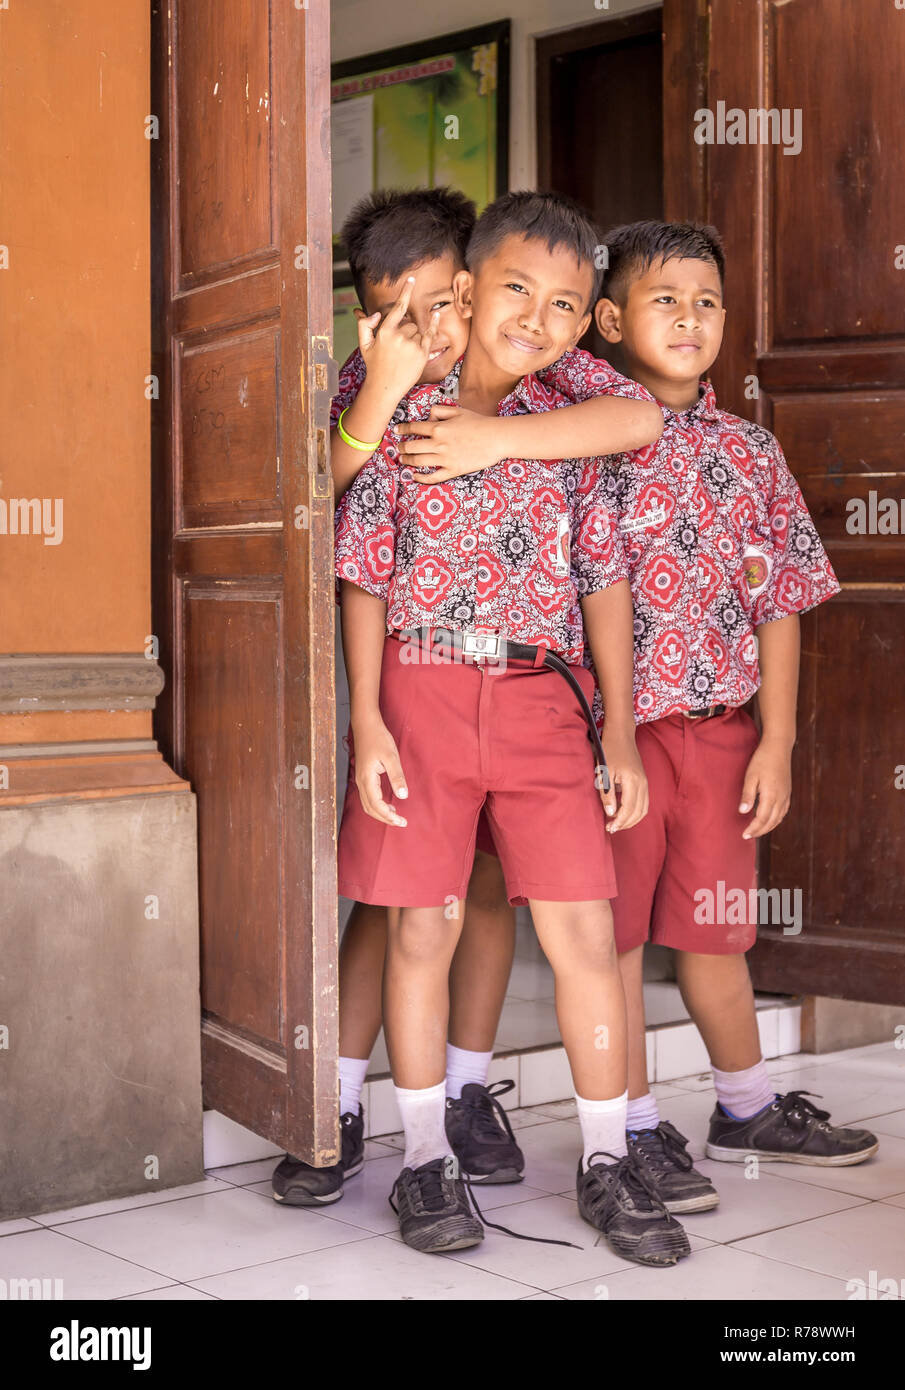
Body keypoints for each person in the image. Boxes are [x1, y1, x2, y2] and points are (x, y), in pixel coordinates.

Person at [274, 187, 664, 1210]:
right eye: (513, 293)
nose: (534, 318)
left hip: (541, 693)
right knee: (414, 924)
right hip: (421, 686)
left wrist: (617, 728)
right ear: (459, 288)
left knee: (574, 926)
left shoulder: (565, 409)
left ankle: (602, 1158)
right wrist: (364, 719)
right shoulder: (388, 391)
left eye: (564, 304)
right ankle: (417, 1159)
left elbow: (608, 551)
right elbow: (354, 561)